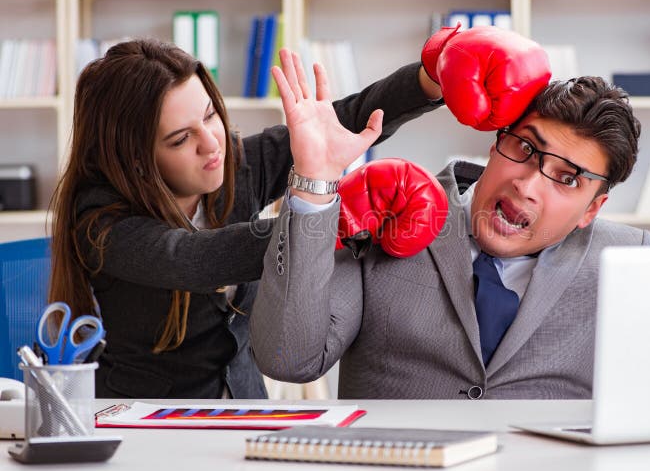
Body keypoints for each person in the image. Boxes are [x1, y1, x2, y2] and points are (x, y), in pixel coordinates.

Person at [250, 64, 650, 399]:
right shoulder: (390, 211)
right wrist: (313, 186)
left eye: (567, 178)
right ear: (496, 144)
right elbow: (288, 358)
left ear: (591, 209)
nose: (529, 184)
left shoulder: (625, 258)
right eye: (526, 150)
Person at [48, 32, 544, 399]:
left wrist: (430, 78)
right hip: (141, 420)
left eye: (209, 115)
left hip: (243, 414)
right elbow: (193, 259)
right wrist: (325, 213)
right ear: (135, 157)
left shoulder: (233, 166)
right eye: (180, 139)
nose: (211, 143)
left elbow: (349, 116)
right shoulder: (100, 219)